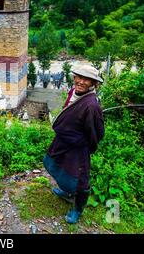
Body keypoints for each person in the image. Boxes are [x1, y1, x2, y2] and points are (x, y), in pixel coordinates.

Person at [43, 65, 105, 224]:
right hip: (63, 141)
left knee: (80, 179)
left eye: (86, 79)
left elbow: (97, 133)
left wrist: (82, 145)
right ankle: (67, 192)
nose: (81, 82)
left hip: (78, 147)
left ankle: (77, 209)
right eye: (79, 77)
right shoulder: (73, 92)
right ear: (74, 77)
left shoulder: (92, 105)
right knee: (54, 164)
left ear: (93, 83)